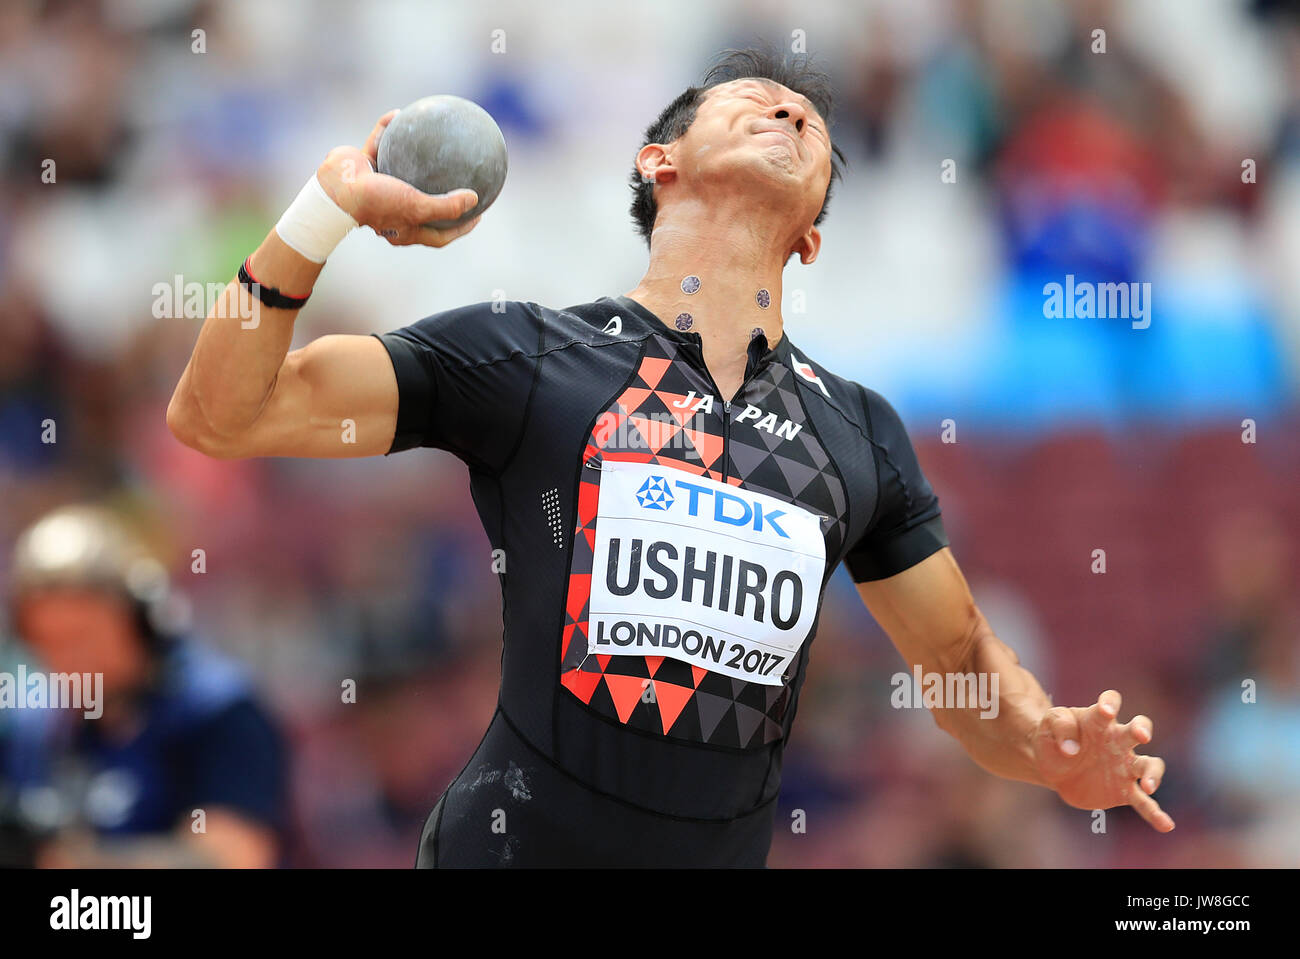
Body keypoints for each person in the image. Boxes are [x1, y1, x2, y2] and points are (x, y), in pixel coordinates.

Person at [166, 48, 1173, 867]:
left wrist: (1045, 744)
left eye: (806, 124)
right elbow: (223, 415)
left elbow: (957, 666)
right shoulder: (529, 357)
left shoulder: (858, 432)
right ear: (659, 163)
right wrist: (322, 211)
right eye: (752, 104)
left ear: (812, 238)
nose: (786, 115)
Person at [0, 505, 287, 868]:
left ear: (139, 623)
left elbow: (231, 859)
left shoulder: (216, 711)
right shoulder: (32, 725)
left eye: (82, 638)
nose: (67, 662)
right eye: (47, 642)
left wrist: (68, 863)